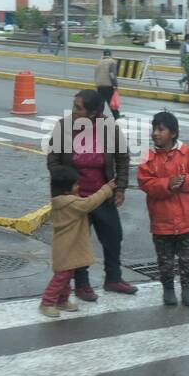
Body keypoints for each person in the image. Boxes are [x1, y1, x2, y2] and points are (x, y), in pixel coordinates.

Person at [46, 89, 138, 299]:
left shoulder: (108, 128)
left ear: (94, 113)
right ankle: (81, 284)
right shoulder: (64, 128)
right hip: (75, 199)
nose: (73, 111)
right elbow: (53, 161)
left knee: (114, 236)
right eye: (74, 106)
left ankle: (113, 279)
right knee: (78, 242)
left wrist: (120, 188)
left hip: (102, 195)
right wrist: (65, 188)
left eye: (78, 108)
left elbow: (123, 158)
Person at [137, 111, 189, 307]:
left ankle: (187, 289)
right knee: (165, 260)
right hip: (162, 221)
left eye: (161, 130)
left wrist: (183, 182)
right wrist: (168, 184)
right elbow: (145, 182)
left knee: (187, 260)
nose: (155, 134)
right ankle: (168, 288)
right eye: (154, 129)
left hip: (187, 220)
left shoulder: (188, 153)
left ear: (173, 133)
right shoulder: (148, 156)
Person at [40, 167, 115, 317]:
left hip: (67, 246)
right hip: (67, 247)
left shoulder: (62, 201)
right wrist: (106, 189)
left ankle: (62, 300)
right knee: (62, 276)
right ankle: (47, 302)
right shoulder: (70, 203)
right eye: (75, 185)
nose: (78, 187)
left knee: (67, 275)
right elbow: (89, 203)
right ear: (67, 190)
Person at [94, 49, 120, 119]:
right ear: (110, 54)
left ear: (104, 54)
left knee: (101, 103)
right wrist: (115, 85)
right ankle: (116, 116)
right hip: (108, 86)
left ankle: (98, 117)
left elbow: (96, 73)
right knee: (112, 103)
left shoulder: (99, 62)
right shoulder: (112, 62)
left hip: (99, 86)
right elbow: (112, 74)